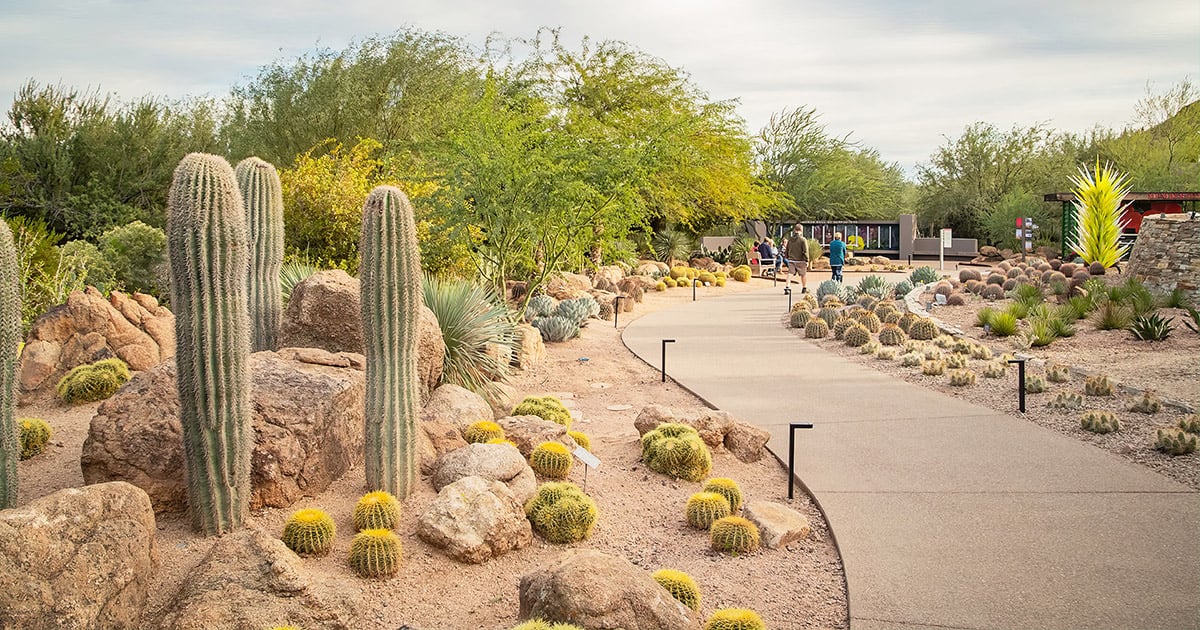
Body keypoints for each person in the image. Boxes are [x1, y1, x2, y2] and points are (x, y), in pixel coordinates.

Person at [783, 224, 809, 292]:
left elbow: (787, 249)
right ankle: (804, 287)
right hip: (801, 260)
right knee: (803, 274)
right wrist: (807, 260)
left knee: (790, 273)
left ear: (795, 230)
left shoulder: (790, 239)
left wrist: (787, 257)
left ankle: (787, 287)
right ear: (801, 230)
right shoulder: (803, 240)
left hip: (791, 260)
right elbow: (805, 251)